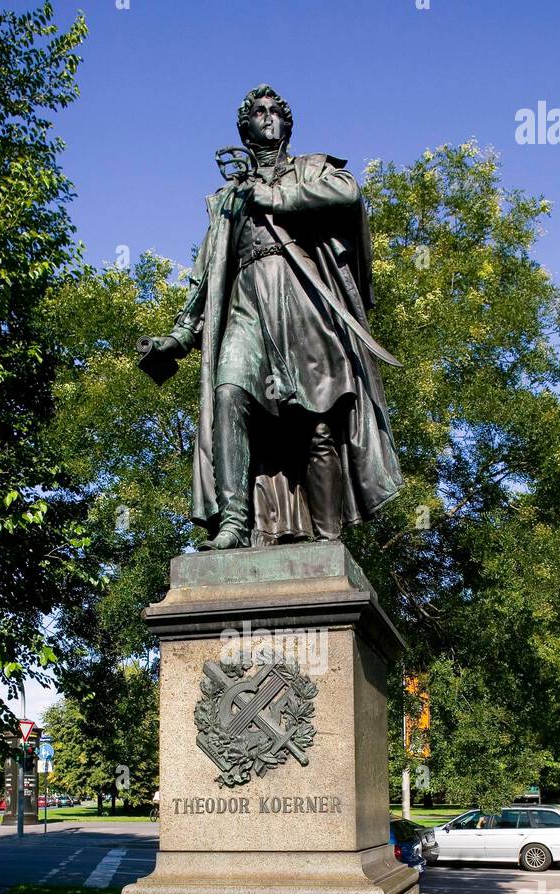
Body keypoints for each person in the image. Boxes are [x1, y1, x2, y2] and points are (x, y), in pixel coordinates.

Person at [139, 85, 403, 549]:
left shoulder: (310, 169)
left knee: (318, 423)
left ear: (286, 123)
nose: (267, 118)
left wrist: (275, 198)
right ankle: (234, 524)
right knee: (229, 394)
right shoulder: (226, 199)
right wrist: (178, 338)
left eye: (274, 111)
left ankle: (327, 541)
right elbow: (206, 279)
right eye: (257, 112)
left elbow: (349, 191)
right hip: (245, 302)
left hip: (302, 301)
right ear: (245, 128)